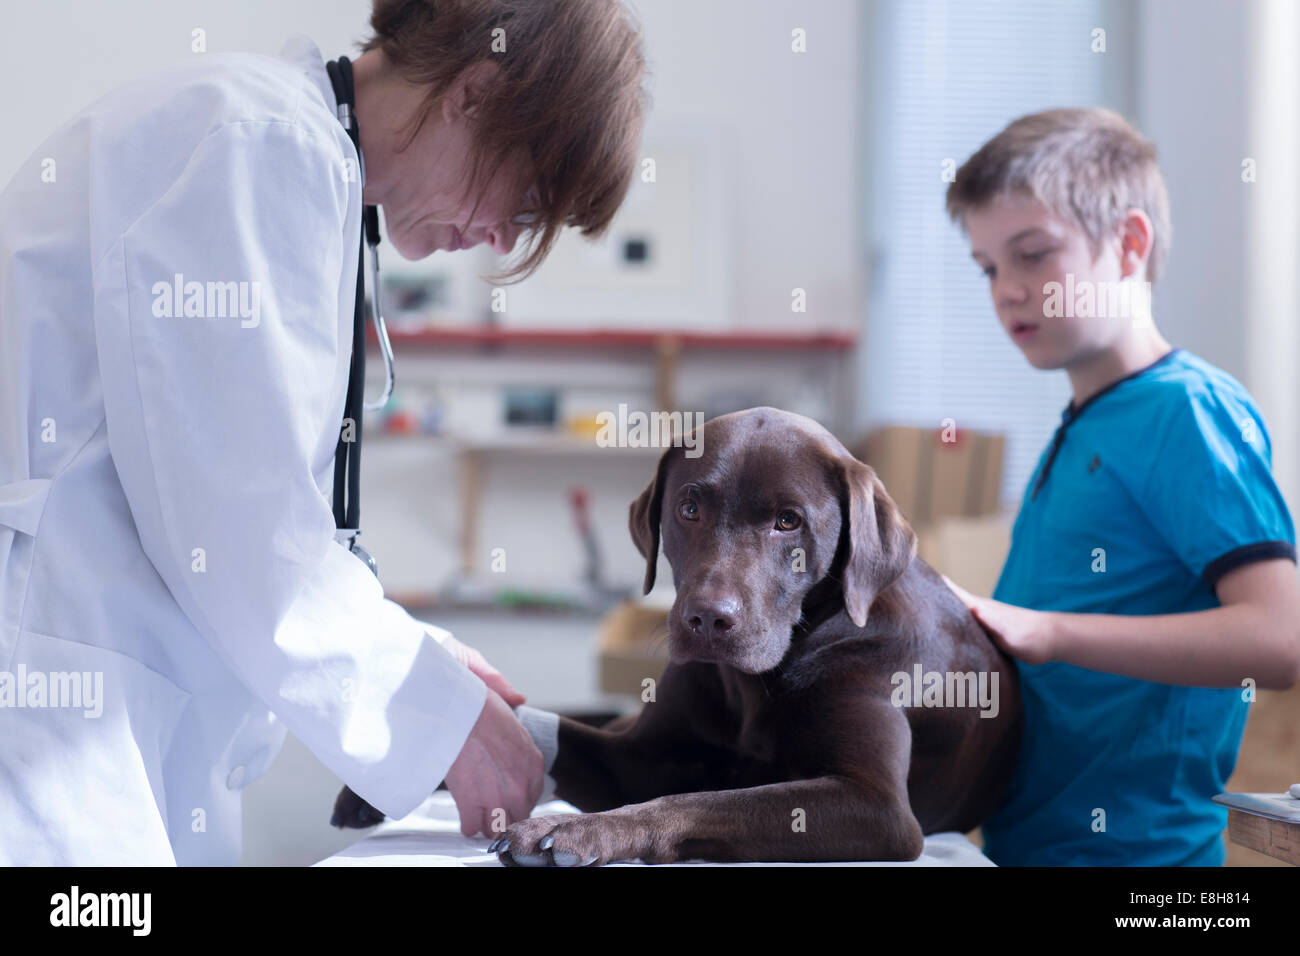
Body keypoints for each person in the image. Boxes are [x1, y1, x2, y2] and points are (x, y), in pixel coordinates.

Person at [0, 0, 648, 865]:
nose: (498, 239)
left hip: (92, 706)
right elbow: (240, 532)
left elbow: (258, 517)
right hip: (42, 707)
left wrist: (426, 661)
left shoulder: (306, 168)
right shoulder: (259, 140)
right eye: (523, 204)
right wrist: (441, 719)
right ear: (476, 93)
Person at [942, 107, 1300, 866]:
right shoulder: (1084, 422)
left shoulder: (1186, 410)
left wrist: (1048, 631)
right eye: (988, 268)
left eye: (1032, 255)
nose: (1006, 289)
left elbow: (1280, 638)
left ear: (1131, 243)